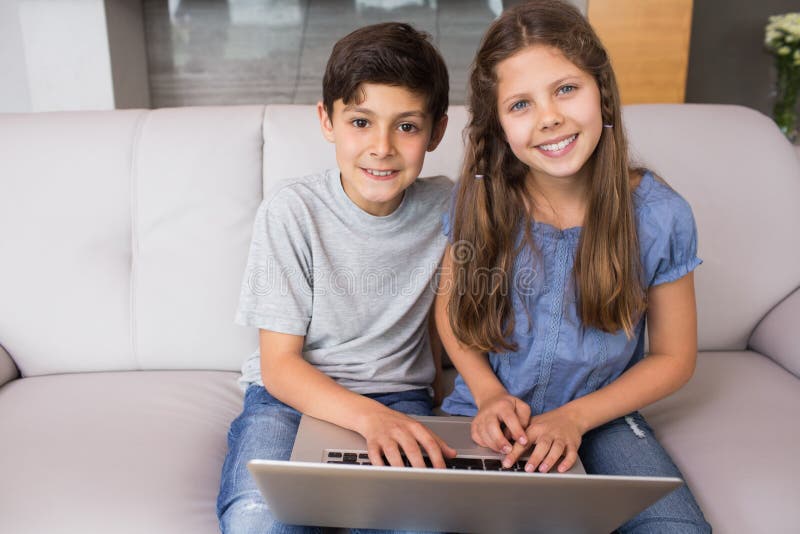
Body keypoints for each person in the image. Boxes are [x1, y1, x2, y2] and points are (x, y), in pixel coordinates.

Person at [433, 1, 711, 532]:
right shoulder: (479, 202)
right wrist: (489, 394)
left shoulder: (661, 216)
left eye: (565, 89)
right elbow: (450, 305)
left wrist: (576, 418)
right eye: (520, 104)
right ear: (498, 124)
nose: (549, 118)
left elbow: (675, 357)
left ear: (601, 91)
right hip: (486, 414)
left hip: (603, 419)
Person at [217, 22, 456, 534]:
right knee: (259, 521)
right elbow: (280, 367)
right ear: (327, 120)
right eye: (361, 122)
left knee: (418, 525)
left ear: (437, 131)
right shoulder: (292, 210)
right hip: (287, 402)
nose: (382, 147)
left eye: (407, 127)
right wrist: (370, 420)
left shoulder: (449, 208)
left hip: (399, 397)